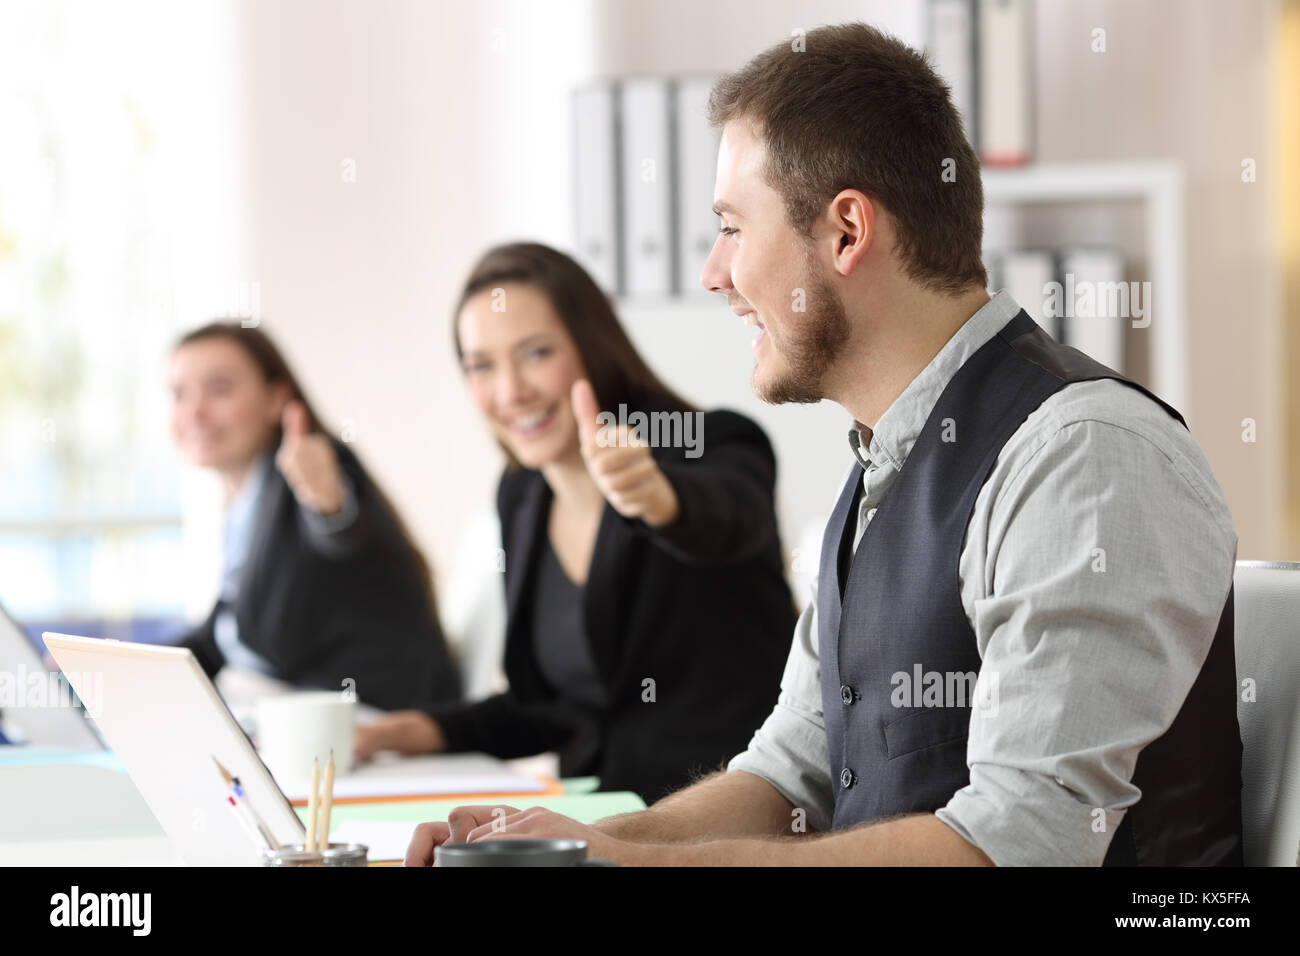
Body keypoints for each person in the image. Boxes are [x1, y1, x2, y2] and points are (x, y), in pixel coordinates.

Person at [404, 23, 1243, 866]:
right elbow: (788, 774)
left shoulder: (1081, 454)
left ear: (846, 232)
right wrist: (566, 846)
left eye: (733, 226)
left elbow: (1018, 844)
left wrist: (636, 865)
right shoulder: (884, 464)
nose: (712, 273)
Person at [354, 242, 797, 804]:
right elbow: (553, 708)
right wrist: (410, 732)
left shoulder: (713, 445)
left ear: (591, 345)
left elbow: (730, 519)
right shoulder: (522, 494)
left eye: (535, 353)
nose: (511, 391)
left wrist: (658, 498)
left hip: (722, 821)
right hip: (594, 821)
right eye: (482, 366)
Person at [168, 322, 460, 711]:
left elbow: (343, 533)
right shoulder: (245, 504)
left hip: (378, 717)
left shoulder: (312, 466)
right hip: (299, 711)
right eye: (179, 394)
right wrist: (126, 667)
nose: (195, 412)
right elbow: (221, 633)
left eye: (219, 390)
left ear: (276, 398)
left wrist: (329, 505)